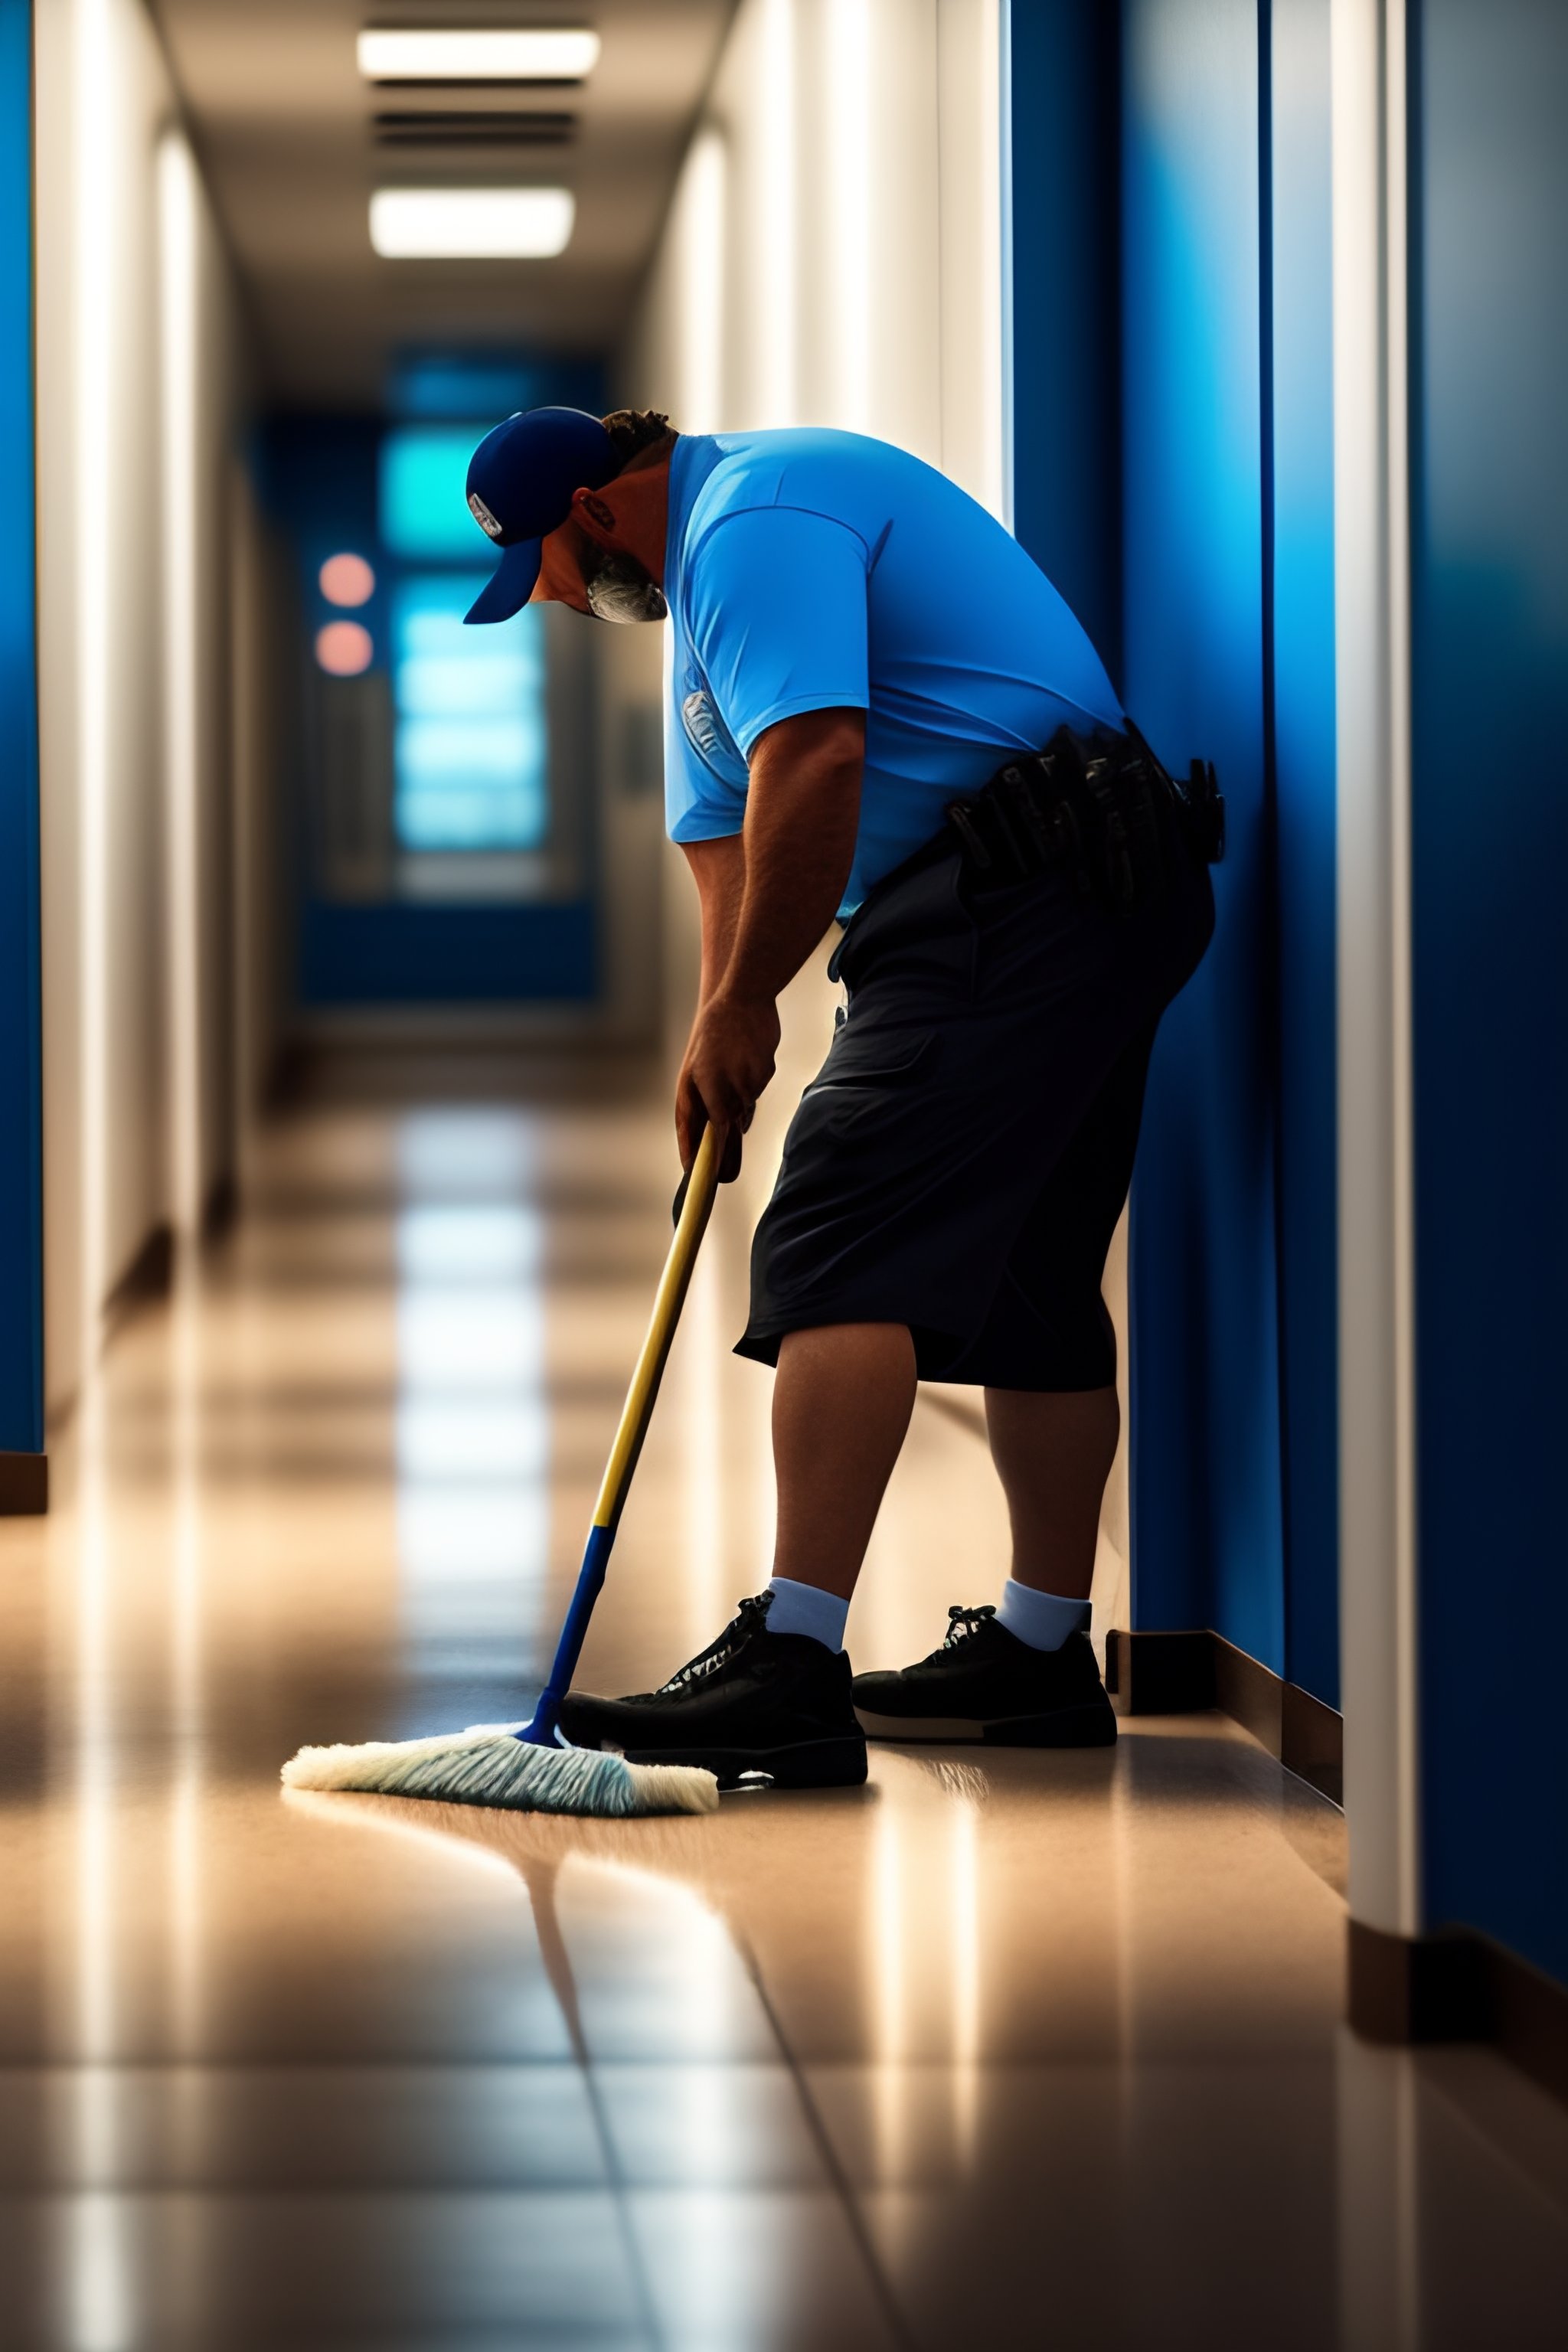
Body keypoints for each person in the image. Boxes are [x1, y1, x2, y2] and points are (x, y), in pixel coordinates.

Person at [462, 403, 1218, 1788]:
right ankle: (1042, 1653)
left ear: (595, 507)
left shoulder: (755, 517)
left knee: (828, 1241)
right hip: (1054, 893)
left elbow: (815, 759)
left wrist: (759, 1005)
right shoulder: (705, 609)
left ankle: (791, 1664)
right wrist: (715, 1031)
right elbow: (728, 846)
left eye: (550, 578)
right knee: (1032, 1276)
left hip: (1029, 883)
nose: (564, 607)